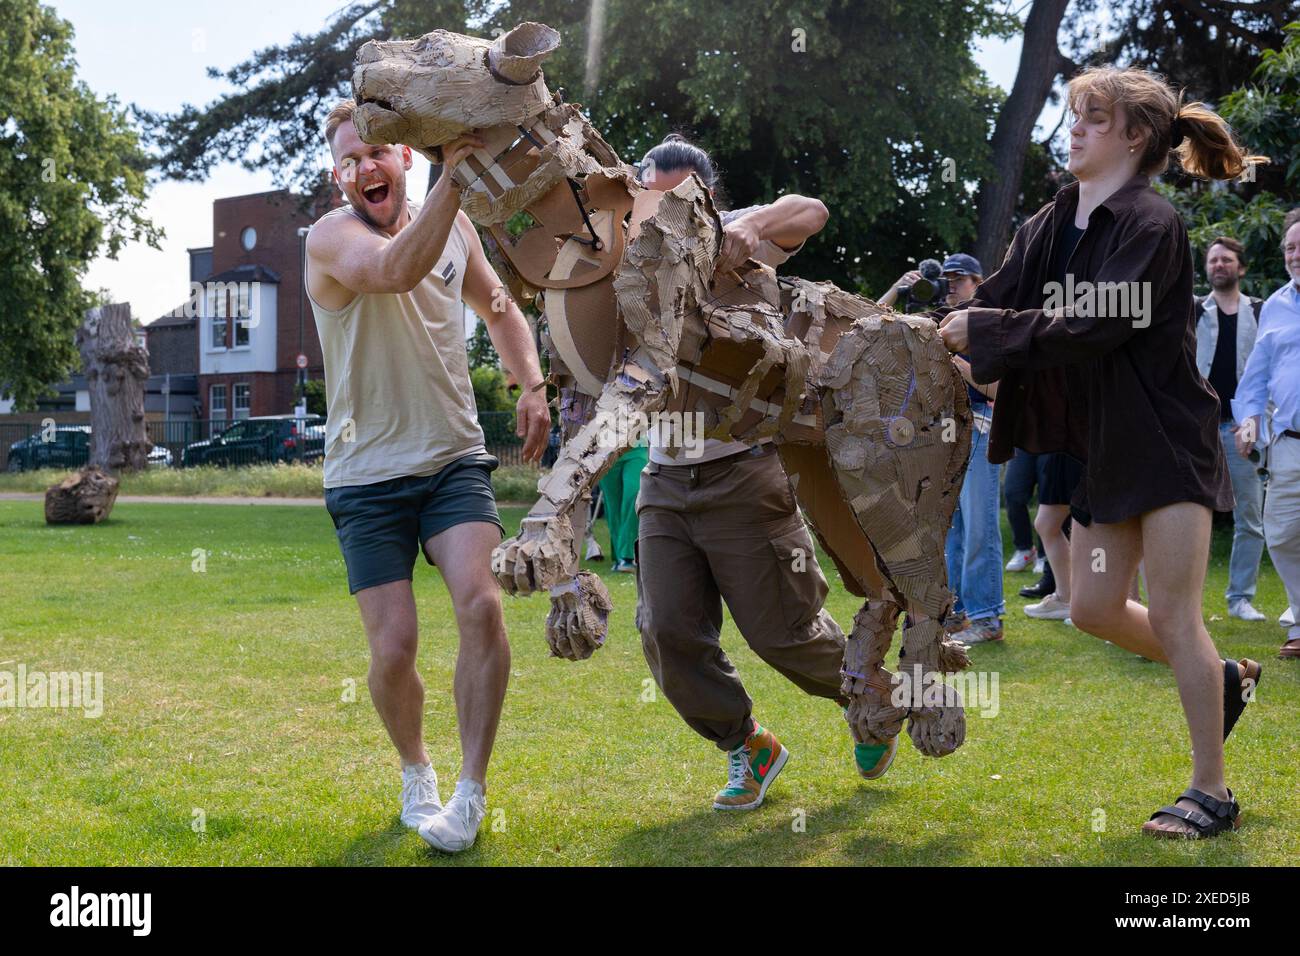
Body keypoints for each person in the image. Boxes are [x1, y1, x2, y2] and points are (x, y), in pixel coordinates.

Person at [939, 67, 1266, 839]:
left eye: (1093, 118)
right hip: (1102, 450)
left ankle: (1211, 791)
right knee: (1088, 606)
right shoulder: (1049, 223)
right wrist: (928, 334)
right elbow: (995, 299)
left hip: (1166, 445)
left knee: (1179, 616)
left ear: (1135, 136)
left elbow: (1093, 322)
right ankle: (1223, 680)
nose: (1074, 130)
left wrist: (984, 336)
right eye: (1073, 116)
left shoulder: (1151, 225)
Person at [305, 100, 550, 852]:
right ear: (337, 176)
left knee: (481, 605)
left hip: (452, 459)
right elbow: (392, 269)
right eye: (348, 161)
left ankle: (470, 796)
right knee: (394, 650)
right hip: (365, 476)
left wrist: (530, 380)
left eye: (376, 151)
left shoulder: (459, 228)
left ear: (403, 156)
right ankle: (417, 771)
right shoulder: (330, 238)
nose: (363, 169)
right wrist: (456, 179)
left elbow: (500, 304)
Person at [633, 133, 891, 813]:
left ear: (708, 197)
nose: (662, 215)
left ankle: (872, 694)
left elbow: (810, 211)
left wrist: (747, 226)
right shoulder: (627, 262)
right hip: (663, 478)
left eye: (679, 200)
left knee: (785, 634)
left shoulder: (740, 244)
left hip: (743, 472)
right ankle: (748, 746)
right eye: (649, 200)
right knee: (666, 631)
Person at [1233, 208, 1300, 661]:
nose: (1296, 255)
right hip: (1290, 442)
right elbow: (1255, 377)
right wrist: (1250, 417)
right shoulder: (1275, 305)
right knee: (1280, 535)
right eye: (1291, 247)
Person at [1196, 236, 1268, 622]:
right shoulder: (1192, 311)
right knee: (1191, 516)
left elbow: (1268, 372)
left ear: (1240, 267)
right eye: (1213, 260)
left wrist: (1255, 422)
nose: (1218, 265)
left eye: (1226, 260)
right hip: (1198, 430)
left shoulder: (1259, 310)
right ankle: (1188, 602)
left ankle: (1240, 597)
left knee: (1250, 518)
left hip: (1244, 428)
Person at [598, 442, 648, 572]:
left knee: (633, 496)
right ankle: (620, 557)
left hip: (637, 447)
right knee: (612, 506)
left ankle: (628, 555)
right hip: (606, 450)